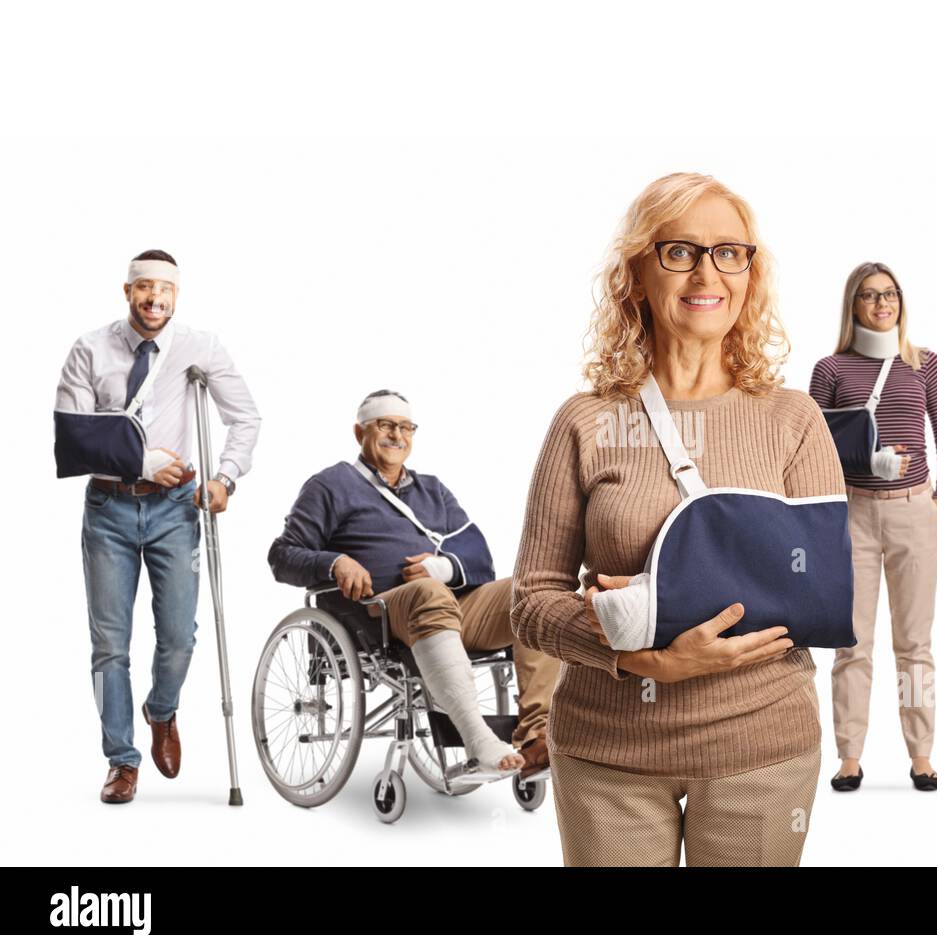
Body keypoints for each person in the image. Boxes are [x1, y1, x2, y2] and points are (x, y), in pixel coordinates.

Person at [510, 172, 843, 866]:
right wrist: (640, 655)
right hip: (608, 754)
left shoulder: (793, 419)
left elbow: (825, 593)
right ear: (637, 273)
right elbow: (531, 604)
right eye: (679, 251)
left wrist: (647, 598)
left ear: (749, 275)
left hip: (761, 748)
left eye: (729, 252)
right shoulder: (588, 421)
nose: (706, 271)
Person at [55, 249, 262, 804]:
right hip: (109, 509)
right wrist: (141, 461)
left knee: (178, 637)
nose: (154, 299)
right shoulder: (90, 349)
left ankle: (161, 710)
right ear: (127, 292)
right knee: (110, 644)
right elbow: (74, 438)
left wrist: (225, 478)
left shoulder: (201, 346)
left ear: (177, 294)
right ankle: (121, 760)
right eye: (144, 288)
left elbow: (245, 417)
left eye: (164, 289)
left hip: (176, 509)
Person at [267, 389, 558, 776]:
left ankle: (537, 738)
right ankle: (478, 737)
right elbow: (282, 556)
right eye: (385, 425)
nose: (397, 435)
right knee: (427, 592)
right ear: (360, 432)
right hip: (380, 613)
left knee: (533, 593)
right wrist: (334, 562)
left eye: (406, 427)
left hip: (453, 606)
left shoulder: (432, 490)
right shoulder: (329, 486)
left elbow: (479, 558)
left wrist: (444, 568)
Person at [810, 261, 937, 793]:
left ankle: (922, 754)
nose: (881, 304)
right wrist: (868, 464)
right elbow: (814, 450)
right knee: (852, 643)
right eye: (870, 296)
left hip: (915, 513)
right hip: (853, 516)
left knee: (915, 644)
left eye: (890, 294)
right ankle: (849, 756)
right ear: (854, 305)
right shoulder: (831, 370)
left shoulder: (926, 365)